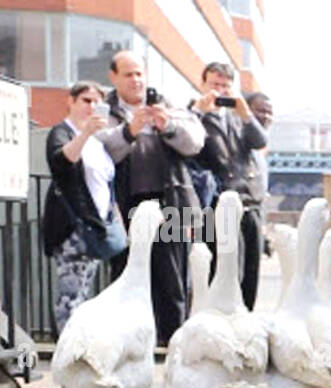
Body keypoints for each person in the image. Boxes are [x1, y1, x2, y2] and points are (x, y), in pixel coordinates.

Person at [95, 51, 206, 346]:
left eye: (140, 73)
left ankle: (172, 341)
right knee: (127, 273)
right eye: (129, 74)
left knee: (172, 276)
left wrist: (167, 126)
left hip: (172, 203)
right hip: (125, 205)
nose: (136, 80)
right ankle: (129, 342)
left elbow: (195, 143)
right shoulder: (104, 112)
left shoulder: (167, 105)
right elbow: (100, 149)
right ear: (114, 77)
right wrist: (129, 131)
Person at [43, 81, 125, 331]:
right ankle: (67, 354)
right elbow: (61, 162)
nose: (91, 107)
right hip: (72, 229)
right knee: (71, 297)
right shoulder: (62, 132)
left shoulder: (98, 142)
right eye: (86, 101)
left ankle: (80, 348)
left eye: (97, 103)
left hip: (94, 228)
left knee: (85, 294)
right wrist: (85, 132)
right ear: (71, 101)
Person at [191, 63, 269, 310]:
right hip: (218, 204)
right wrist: (199, 112)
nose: (220, 91)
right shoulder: (193, 116)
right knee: (224, 267)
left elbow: (259, 141)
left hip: (248, 203)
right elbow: (185, 144)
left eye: (225, 86)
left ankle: (245, 317)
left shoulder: (238, 119)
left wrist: (246, 114)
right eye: (214, 85)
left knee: (251, 269)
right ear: (202, 85)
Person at [244, 91, 274, 257]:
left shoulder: (260, 150)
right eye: (261, 111)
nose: (266, 116)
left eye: (269, 112)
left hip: (256, 213)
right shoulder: (241, 138)